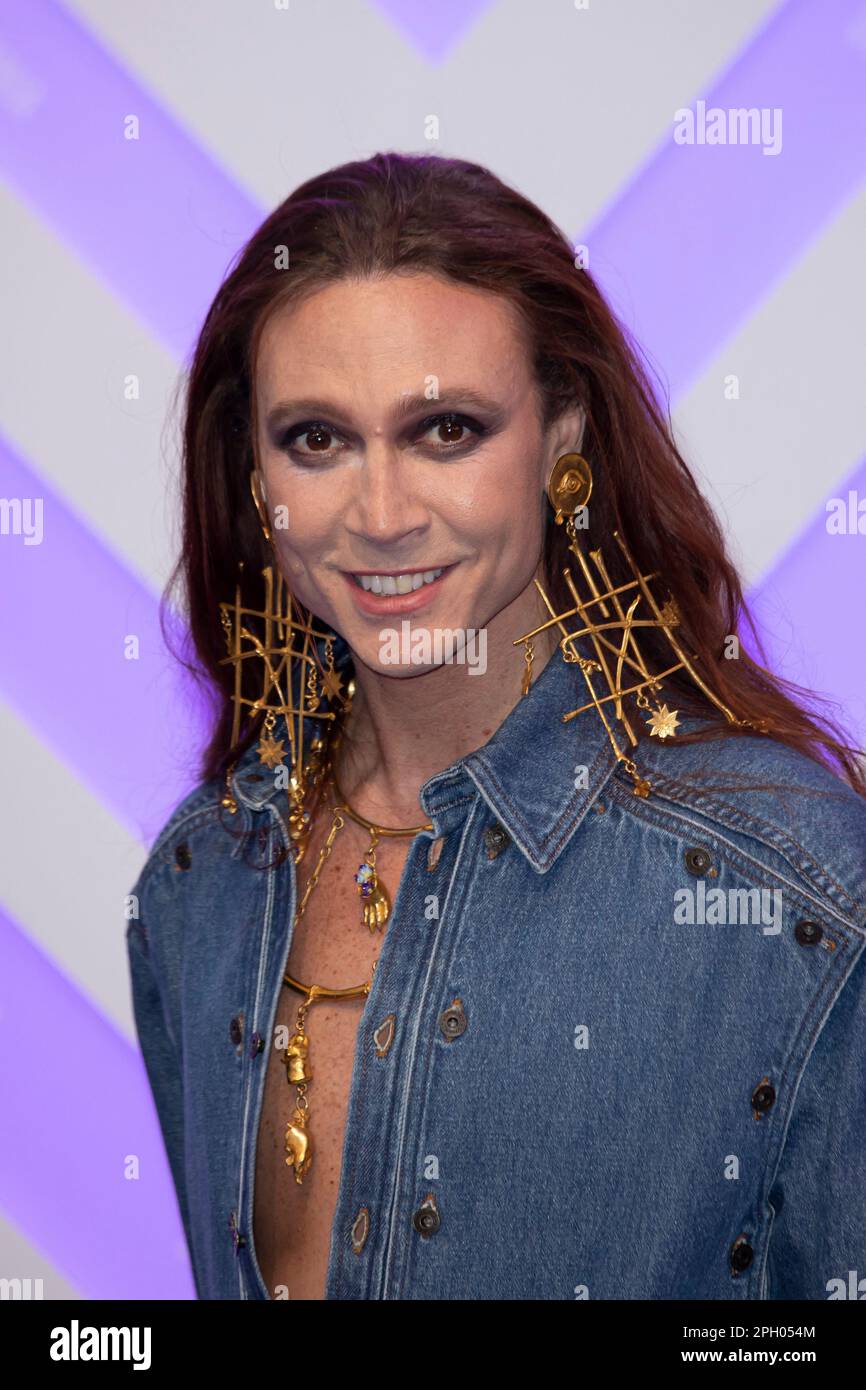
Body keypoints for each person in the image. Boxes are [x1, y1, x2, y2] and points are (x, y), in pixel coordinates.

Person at [126, 151, 866, 1301]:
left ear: (562, 438)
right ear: (251, 474)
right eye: (316, 439)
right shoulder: (199, 875)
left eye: (445, 430)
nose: (380, 514)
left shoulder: (795, 893)